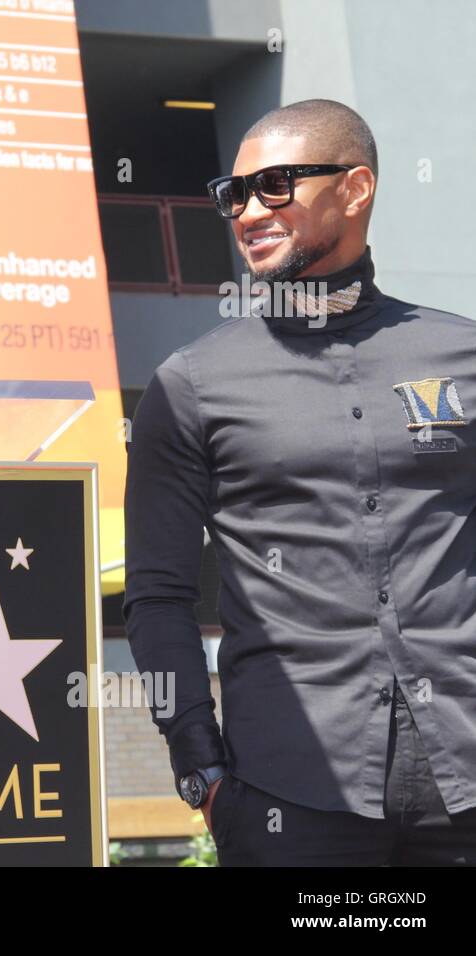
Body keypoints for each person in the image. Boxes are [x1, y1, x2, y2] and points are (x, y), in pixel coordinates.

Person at [123, 100, 476, 865]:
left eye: (275, 185)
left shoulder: (462, 357)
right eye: (234, 194)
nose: (247, 211)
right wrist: (202, 770)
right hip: (291, 799)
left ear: (355, 189)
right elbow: (156, 597)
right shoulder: (189, 386)